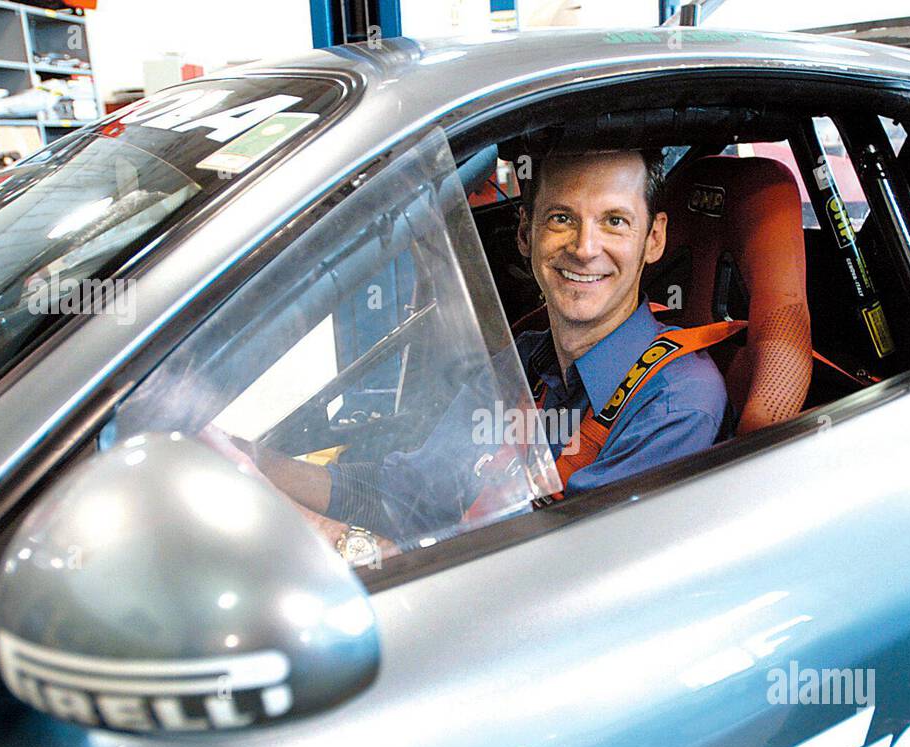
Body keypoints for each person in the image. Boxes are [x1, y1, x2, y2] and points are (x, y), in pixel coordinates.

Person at [205, 148, 730, 564]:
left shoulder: (676, 402)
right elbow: (409, 495)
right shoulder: (523, 364)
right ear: (526, 233)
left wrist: (339, 541)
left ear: (653, 239)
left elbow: (560, 573)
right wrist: (250, 464)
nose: (585, 247)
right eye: (562, 218)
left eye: (614, 221)